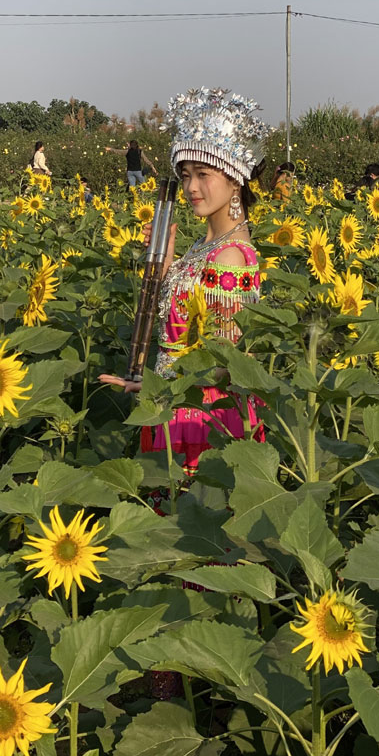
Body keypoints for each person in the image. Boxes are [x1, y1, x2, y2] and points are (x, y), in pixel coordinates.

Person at [99, 86, 270, 474]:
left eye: (204, 174)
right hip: (177, 403)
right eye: (187, 175)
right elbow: (178, 321)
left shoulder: (230, 256)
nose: (192, 187)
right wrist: (165, 263)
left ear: (234, 181)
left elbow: (228, 365)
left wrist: (160, 386)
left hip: (204, 416)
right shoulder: (207, 244)